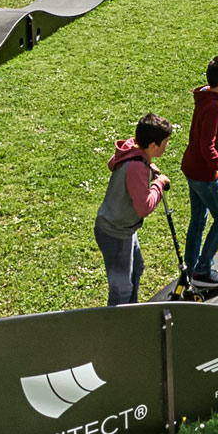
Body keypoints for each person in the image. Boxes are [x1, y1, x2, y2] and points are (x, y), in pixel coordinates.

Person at [93, 113, 173, 306]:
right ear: (153, 145)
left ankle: (131, 311)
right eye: (165, 143)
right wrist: (159, 185)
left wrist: (148, 163)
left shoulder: (132, 150)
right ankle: (117, 327)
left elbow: (113, 162)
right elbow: (144, 207)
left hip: (123, 228)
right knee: (122, 289)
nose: (167, 146)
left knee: (137, 268)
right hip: (116, 232)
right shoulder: (136, 167)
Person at [180, 56, 218, 285]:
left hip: (192, 167)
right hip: (203, 174)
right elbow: (206, 147)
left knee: (198, 219)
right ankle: (203, 271)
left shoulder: (206, 97)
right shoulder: (214, 106)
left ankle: (192, 266)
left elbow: (205, 141)